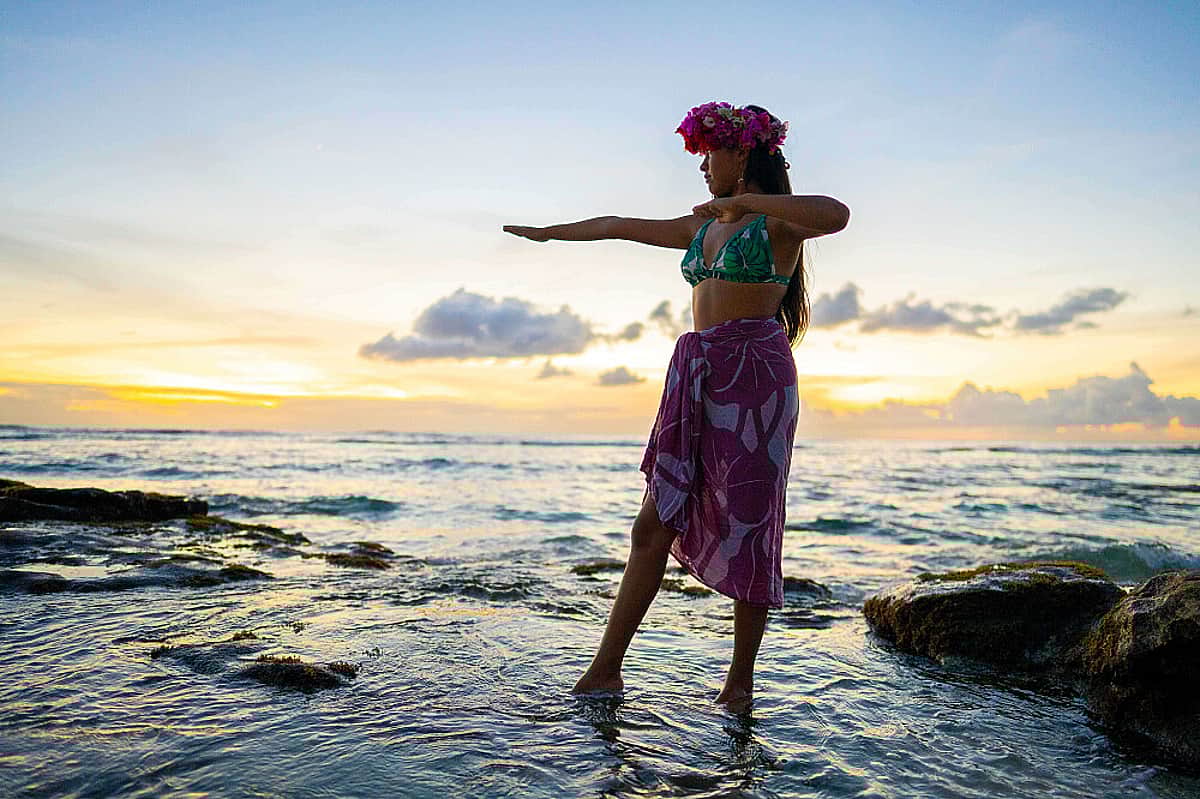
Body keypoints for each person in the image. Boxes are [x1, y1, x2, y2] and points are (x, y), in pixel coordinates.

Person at [504, 102, 849, 706]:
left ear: (741, 155)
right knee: (653, 522)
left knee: (751, 523)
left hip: (756, 379)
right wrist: (551, 233)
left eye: (709, 155)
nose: (702, 169)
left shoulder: (774, 226)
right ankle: (605, 670)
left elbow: (836, 214)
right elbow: (618, 224)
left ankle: (739, 685)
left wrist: (749, 204)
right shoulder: (700, 228)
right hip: (697, 374)